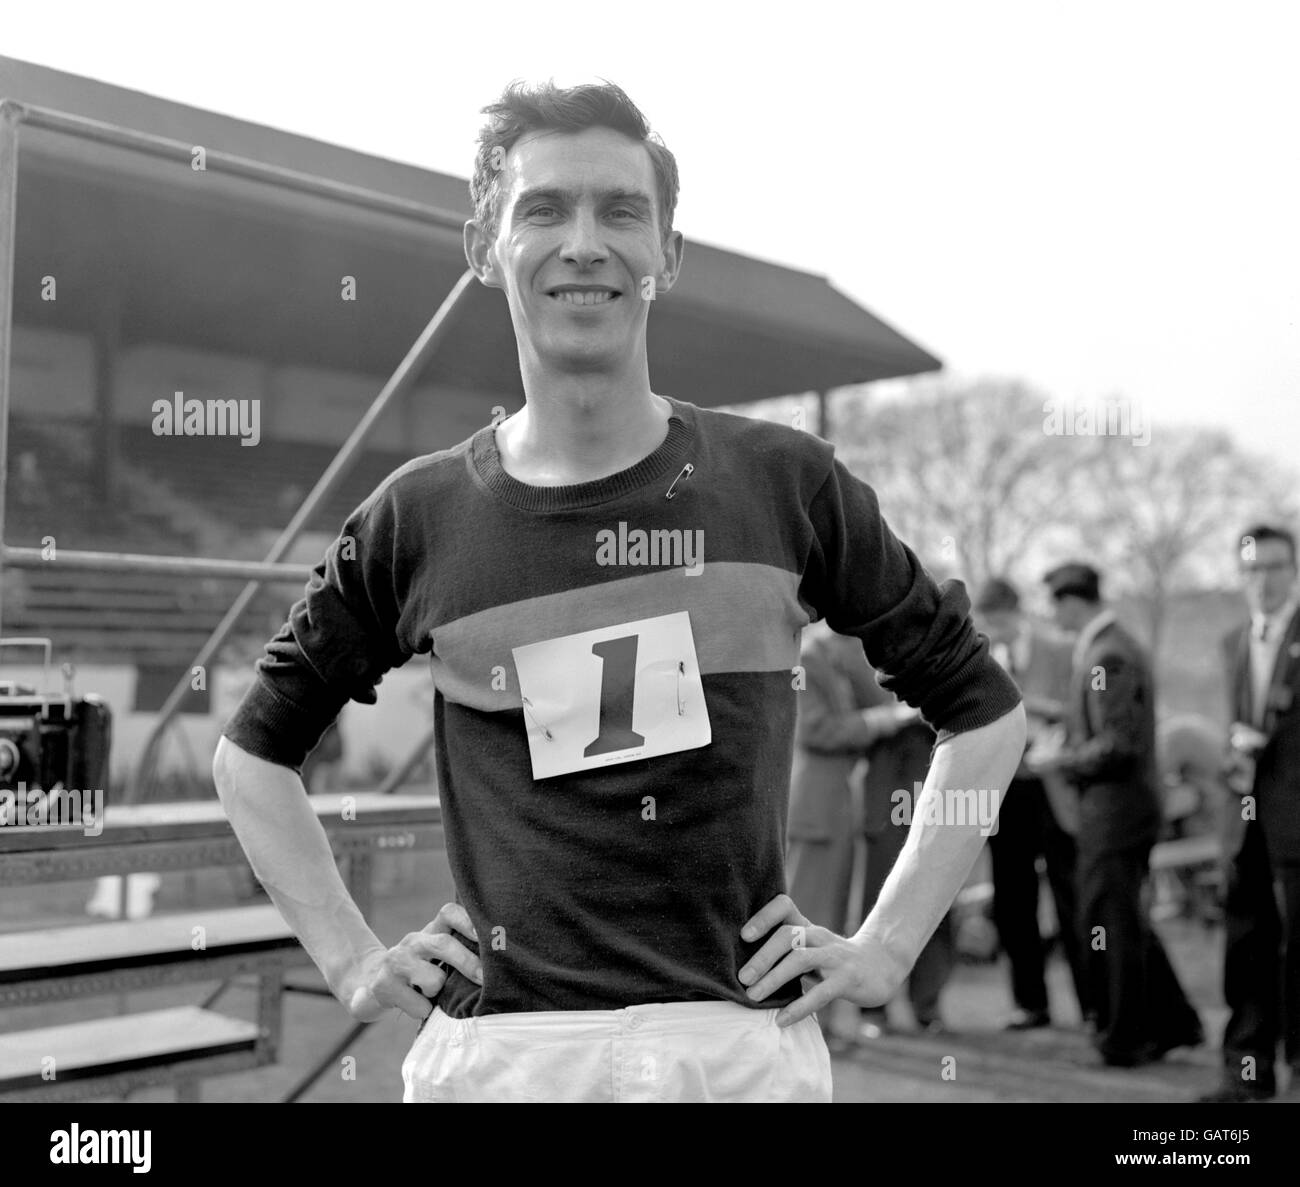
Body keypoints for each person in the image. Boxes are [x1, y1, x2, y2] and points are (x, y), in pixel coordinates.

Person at [212, 79, 1026, 1103]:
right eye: (543, 209)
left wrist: (887, 943)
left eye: (620, 210)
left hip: (733, 1049)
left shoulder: (784, 481)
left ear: (666, 255)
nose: (584, 242)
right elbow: (251, 756)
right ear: (484, 246)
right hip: (504, 1057)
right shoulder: (415, 516)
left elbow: (984, 713)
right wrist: (349, 958)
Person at [1026, 563, 1202, 1066]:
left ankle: (1126, 1037)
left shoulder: (1107, 654)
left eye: (1054, 602)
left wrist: (1056, 759)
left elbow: (1118, 744)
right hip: (1120, 809)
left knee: (1109, 922)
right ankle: (1174, 1023)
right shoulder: (1111, 646)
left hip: (1116, 812)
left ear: (1073, 602)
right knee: (1126, 918)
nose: (1051, 613)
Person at [1201, 524, 1300, 1102]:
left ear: (1293, 571)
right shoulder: (1233, 641)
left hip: (1296, 823)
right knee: (1246, 947)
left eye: (1276, 567)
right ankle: (1248, 1072)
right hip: (1245, 820)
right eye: (1253, 569)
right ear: (1240, 577)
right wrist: (1233, 750)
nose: (1264, 580)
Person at [786, 622, 918, 1045]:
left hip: (836, 805)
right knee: (808, 920)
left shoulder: (830, 658)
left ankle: (819, 1028)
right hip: (816, 805)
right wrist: (885, 719)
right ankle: (802, 1030)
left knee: (828, 920)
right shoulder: (807, 658)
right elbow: (818, 730)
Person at [973, 577, 1090, 1030]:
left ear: (1016, 612)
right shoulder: (982, 657)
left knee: (1070, 896)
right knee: (1012, 900)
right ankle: (1030, 1003)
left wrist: (1030, 705)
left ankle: (1092, 1003)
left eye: (998, 619)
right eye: (987, 621)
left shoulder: (1060, 650)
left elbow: (1078, 711)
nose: (993, 629)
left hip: (1053, 787)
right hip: (1005, 793)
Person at [855, 667, 953, 1035]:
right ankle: (873, 1009)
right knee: (879, 902)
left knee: (935, 903)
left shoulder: (950, 656)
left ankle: (928, 1005)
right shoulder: (862, 657)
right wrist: (890, 716)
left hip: (935, 796)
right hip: (886, 799)